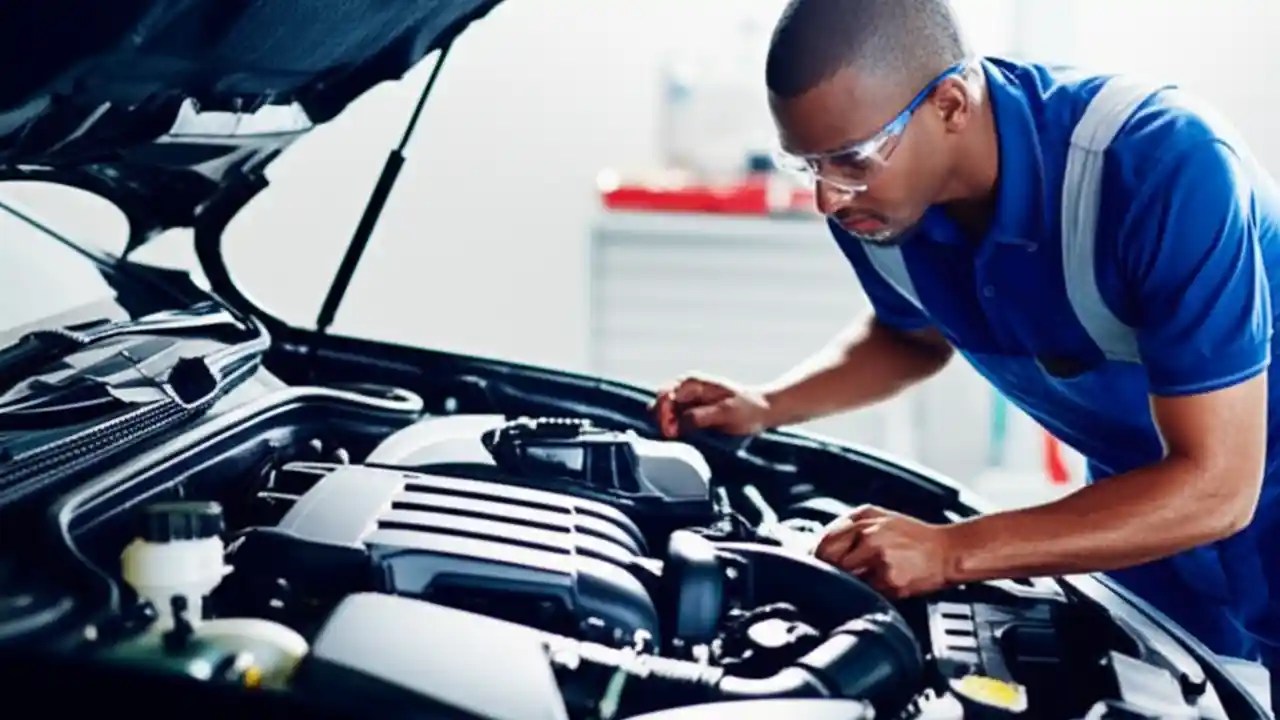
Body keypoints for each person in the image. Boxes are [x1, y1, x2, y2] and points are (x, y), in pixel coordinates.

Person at [650, 0, 1280, 700]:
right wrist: (768, 405)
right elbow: (908, 336)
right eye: (805, 164)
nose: (827, 198)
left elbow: (1219, 487)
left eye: (852, 159)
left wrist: (950, 550)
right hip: (1143, 513)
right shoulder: (881, 205)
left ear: (950, 103)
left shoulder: (1162, 166)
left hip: (1231, 490)